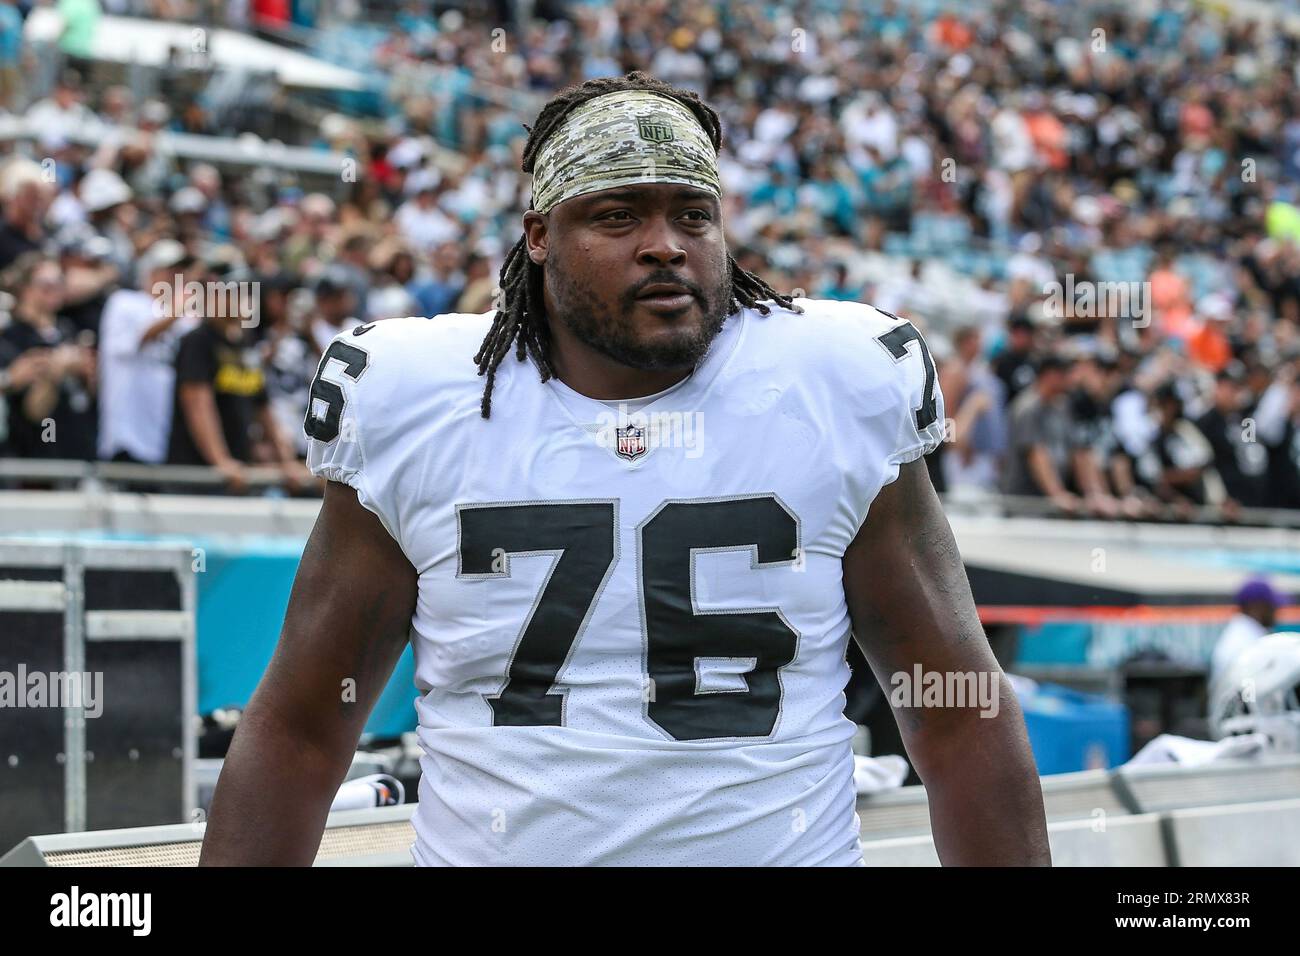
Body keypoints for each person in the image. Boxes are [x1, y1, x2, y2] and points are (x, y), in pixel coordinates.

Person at [202, 73, 1049, 867]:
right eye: (617, 217)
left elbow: (956, 712)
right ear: (539, 236)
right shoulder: (420, 401)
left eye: (693, 215)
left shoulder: (835, 381)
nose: (665, 247)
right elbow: (305, 727)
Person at [97, 240, 200, 463]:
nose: (177, 278)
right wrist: (176, 312)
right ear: (151, 271)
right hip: (126, 434)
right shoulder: (124, 302)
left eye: (181, 273)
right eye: (171, 271)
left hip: (164, 435)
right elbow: (136, 340)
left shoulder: (184, 317)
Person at [1210, 578, 1285, 680]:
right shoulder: (1244, 640)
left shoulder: (1244, 632)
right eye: (1271, 606)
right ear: (1256, 608)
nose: (1275, 612)